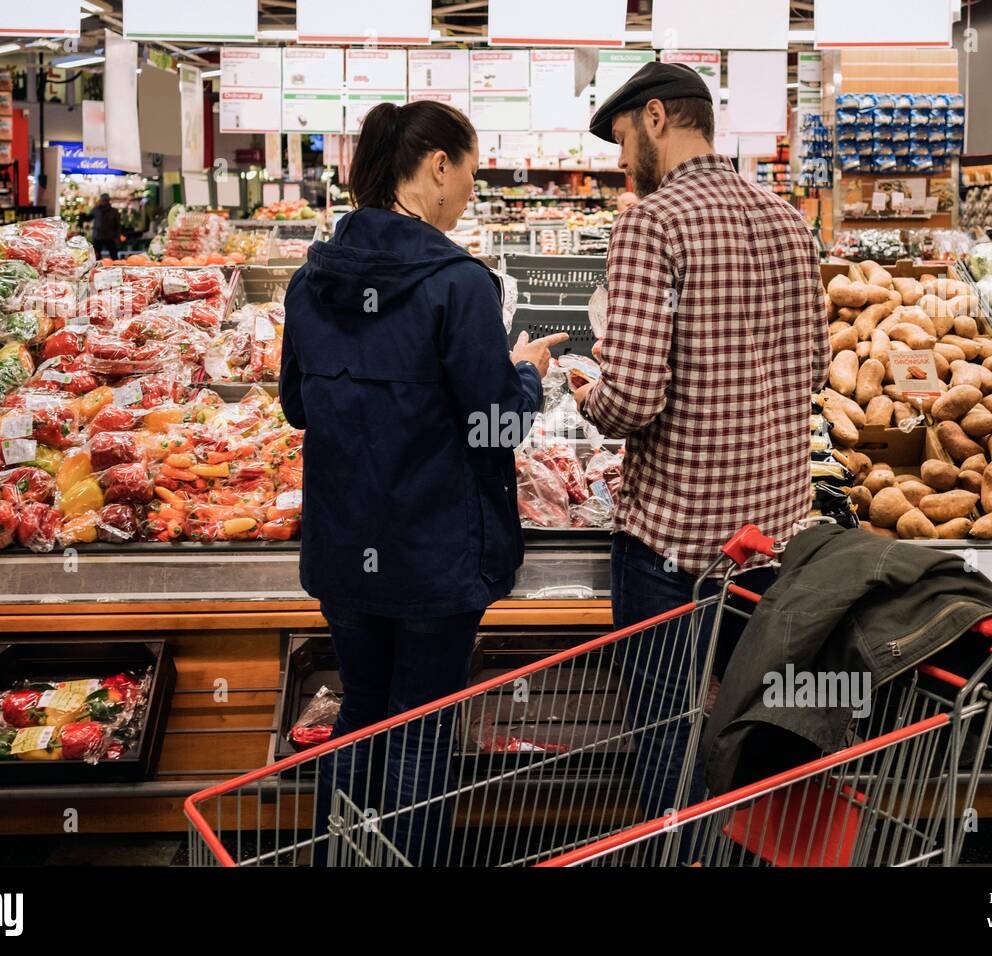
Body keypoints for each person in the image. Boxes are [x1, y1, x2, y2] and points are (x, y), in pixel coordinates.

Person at [278, 100, 566, 866]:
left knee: (364, 707)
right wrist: (527, 375)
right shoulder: (458, 284)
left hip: (344, 550)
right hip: (436, 554)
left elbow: (298, 406)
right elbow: (496, 424)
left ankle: (339, 856)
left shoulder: (311, 280)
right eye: (471, 170)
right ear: (437, 164)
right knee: (422, 723)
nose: (472, 189)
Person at [573, 63, 829, 824]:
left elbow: (634, 401)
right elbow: (813, 369)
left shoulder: (650, 222)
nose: (621, 163)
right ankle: (742, 840)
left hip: (674, 552)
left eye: (621, 140)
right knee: (749, 725)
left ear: (655, 119)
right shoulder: (786, 216)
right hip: (774, 542)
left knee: (667, 736)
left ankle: (682, 846)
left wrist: (589, 393)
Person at [91, 194, 120, 261]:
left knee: (114, 255)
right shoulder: (96, 210)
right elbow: (89, 217)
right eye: (102, 200)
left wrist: (117, 237)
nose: (104, 201)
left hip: (110, 236)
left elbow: (118, 225)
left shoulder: (114, 211)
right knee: (96, 256)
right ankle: (96, 268)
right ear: (100, 200)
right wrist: (82, 216)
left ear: (108, 201)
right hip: (98, 236)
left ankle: (116, 267)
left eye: (106, 200)